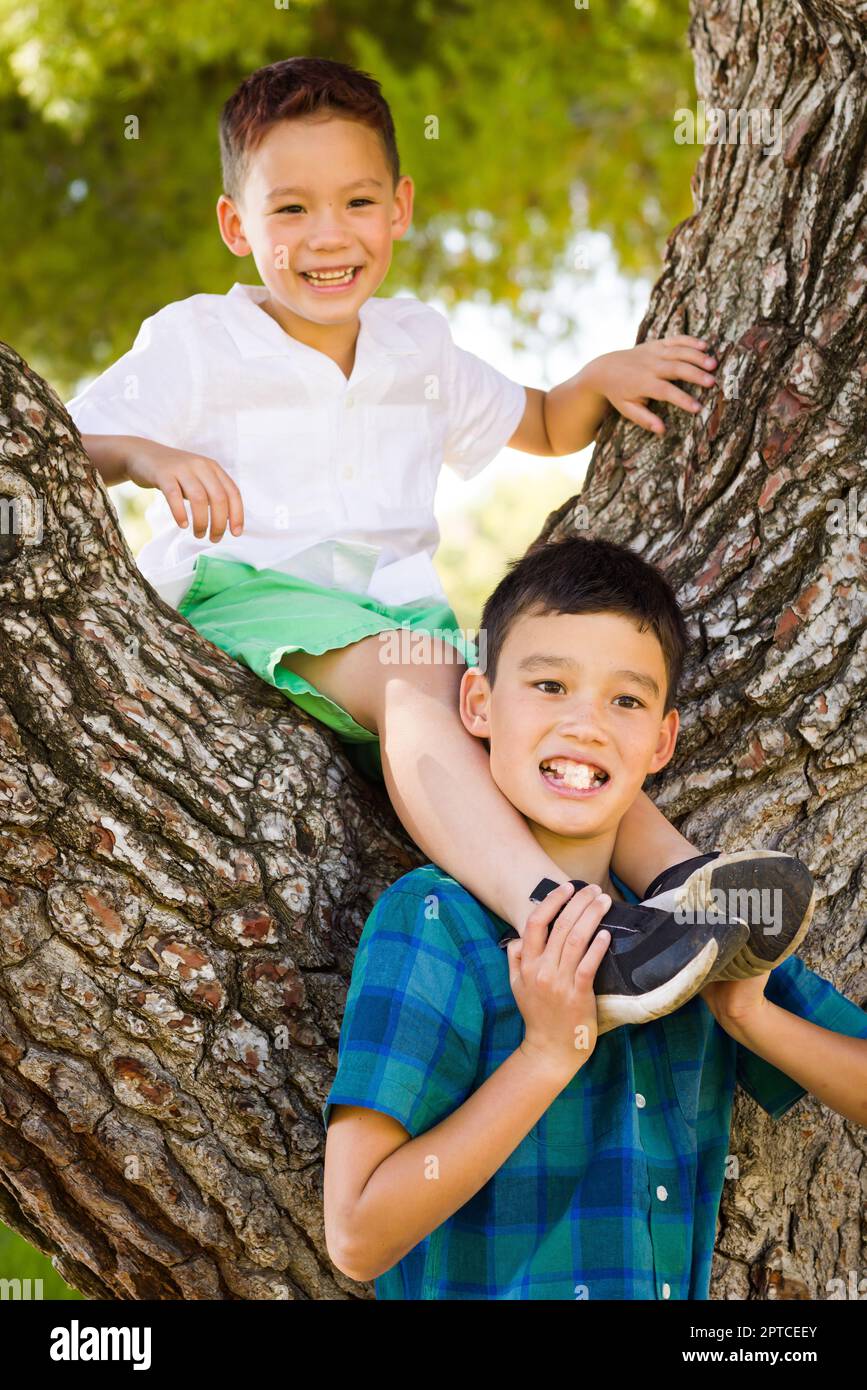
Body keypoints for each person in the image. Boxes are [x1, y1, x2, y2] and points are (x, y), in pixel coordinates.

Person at [68, 55, 812, 1022]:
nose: (327, 236)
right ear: (235, 224)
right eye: (289, 210)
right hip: (256, 591)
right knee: (422, 679)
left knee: (525, 705)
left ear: (400, 207)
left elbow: (540, 424)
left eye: (357, 201)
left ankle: (688, 884)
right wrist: (154, 457)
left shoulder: (415, 344)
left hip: (395, 610)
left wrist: (596, 378)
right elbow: (62, 441)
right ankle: (561, 915)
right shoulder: (199, 341)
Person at [321, 536, 867, 1300]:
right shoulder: (435, 921)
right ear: (477, 704)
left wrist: (749, 1015)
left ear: (660, 742)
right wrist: (545, 1056)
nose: (585, 724)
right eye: (548, 685)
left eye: (625, 700)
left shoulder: (689, 932)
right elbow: (356, 1235)